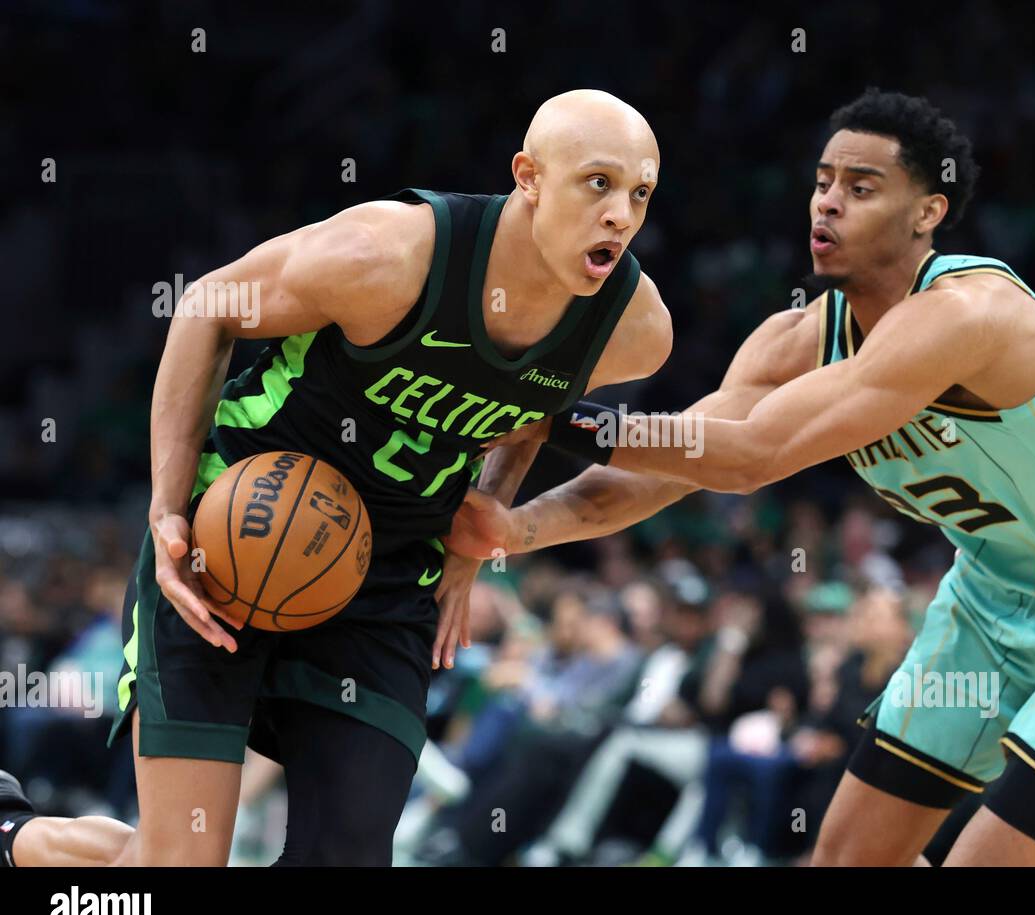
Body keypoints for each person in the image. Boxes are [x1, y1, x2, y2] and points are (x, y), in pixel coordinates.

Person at [447, 87, 1035, 866]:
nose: (827, 203)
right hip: (995, 600)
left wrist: (559, 418)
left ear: (927, 212)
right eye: (823, 182)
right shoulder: (793, 342)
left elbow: (751, 455)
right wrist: (516, 528)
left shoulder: (970, 314)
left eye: (861, 188)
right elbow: (675, 466)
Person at [0, 89, 672, 867]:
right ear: (528, 176)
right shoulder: (387, 255)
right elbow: (210, 304)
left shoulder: (633, 330)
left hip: (388, 582)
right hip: (241, 529)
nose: (621, 214)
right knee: (177, 862)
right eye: (598, 183)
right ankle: (16, 837)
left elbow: (529, 410)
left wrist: (479, 526)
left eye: (641, 194)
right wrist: (167, 507)